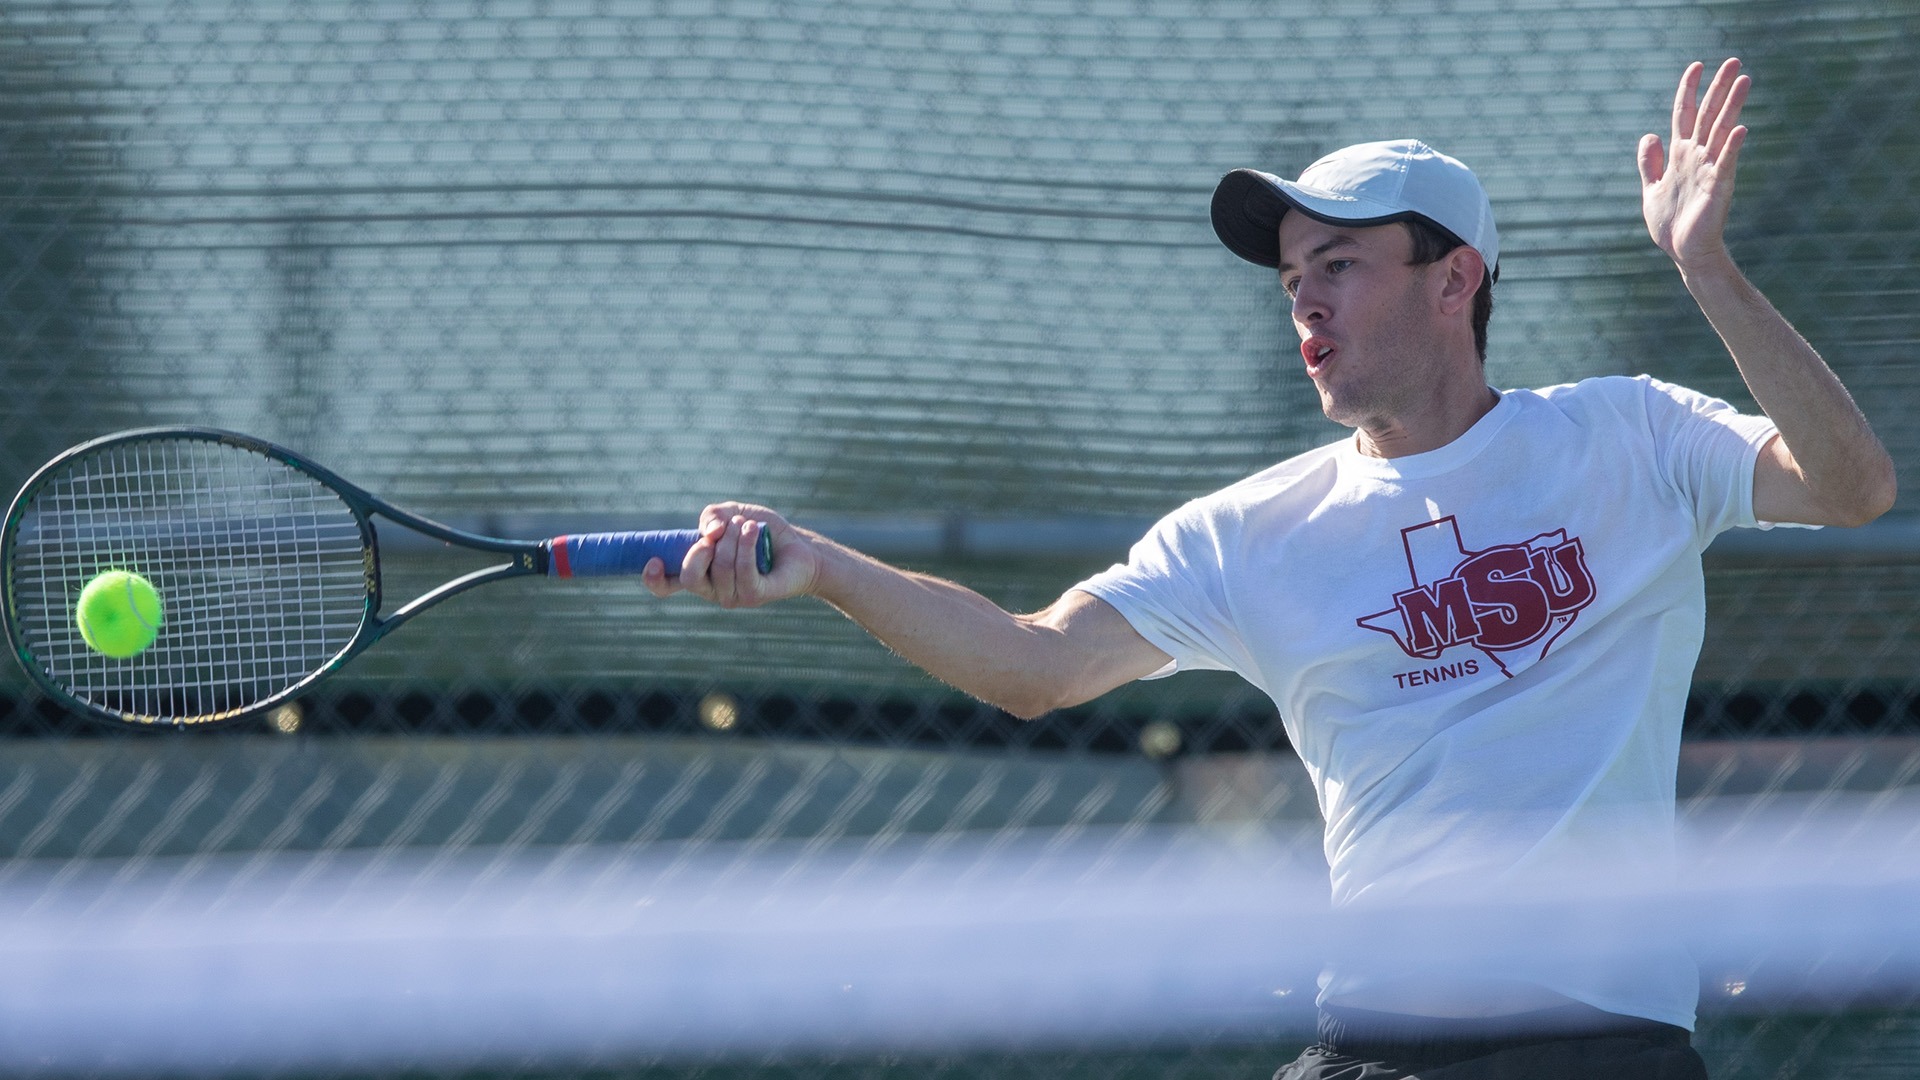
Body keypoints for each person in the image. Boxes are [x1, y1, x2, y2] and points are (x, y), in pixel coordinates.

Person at [644, 59, 1895, 1079]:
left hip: (1604, 1047)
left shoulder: (1630, 435)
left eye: (1340, 268)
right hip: (1373, 1043)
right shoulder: (1250, 531)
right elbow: (1036, 667)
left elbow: (1851, 489)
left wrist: (1705, 269)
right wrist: (823, 568)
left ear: (1455, 279)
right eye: (1295, 281)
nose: (1306, 307)